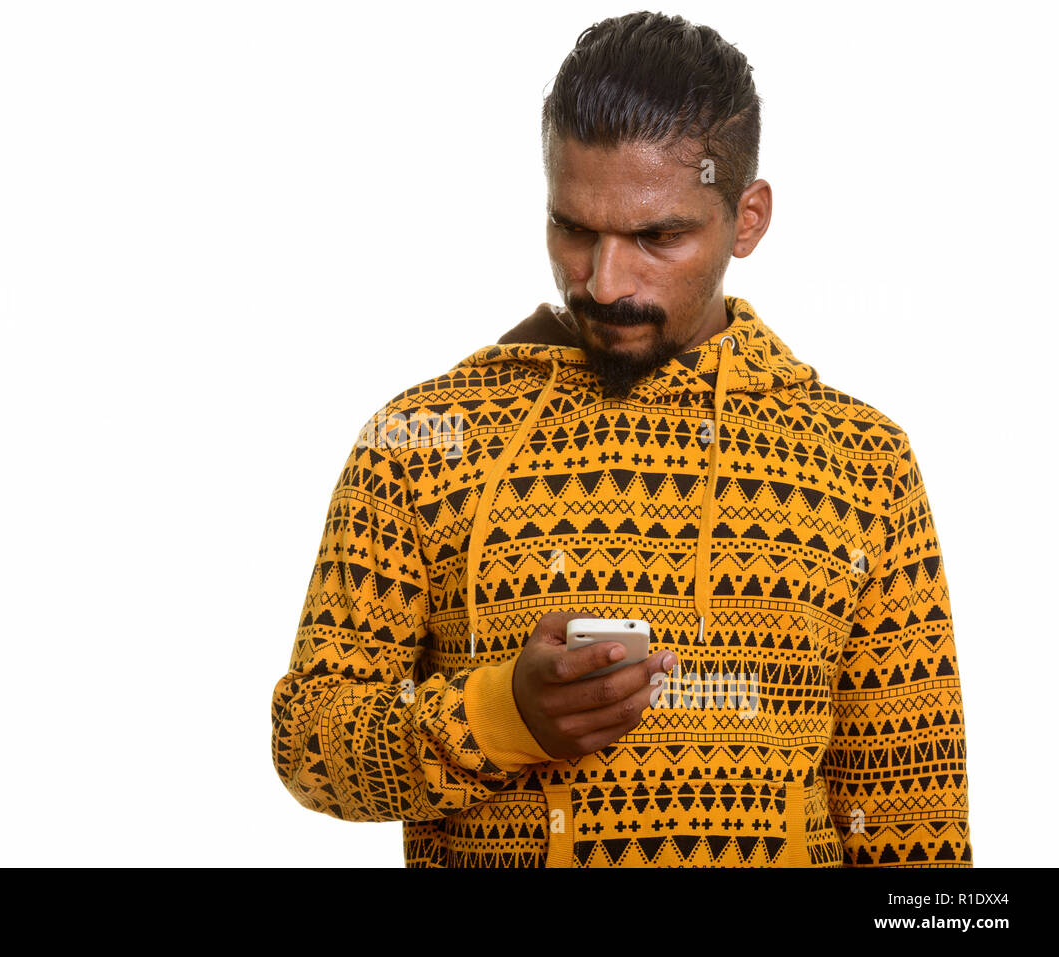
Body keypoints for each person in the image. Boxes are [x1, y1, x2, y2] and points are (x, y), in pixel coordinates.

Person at [270, 11, 971, 868]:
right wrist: (500, 717)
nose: (604, 282)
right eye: (574, 229)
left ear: (747, 219)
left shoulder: (863, 459)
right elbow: (307, 743)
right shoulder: (424, 439)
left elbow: (913, 815)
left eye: (658, 236)